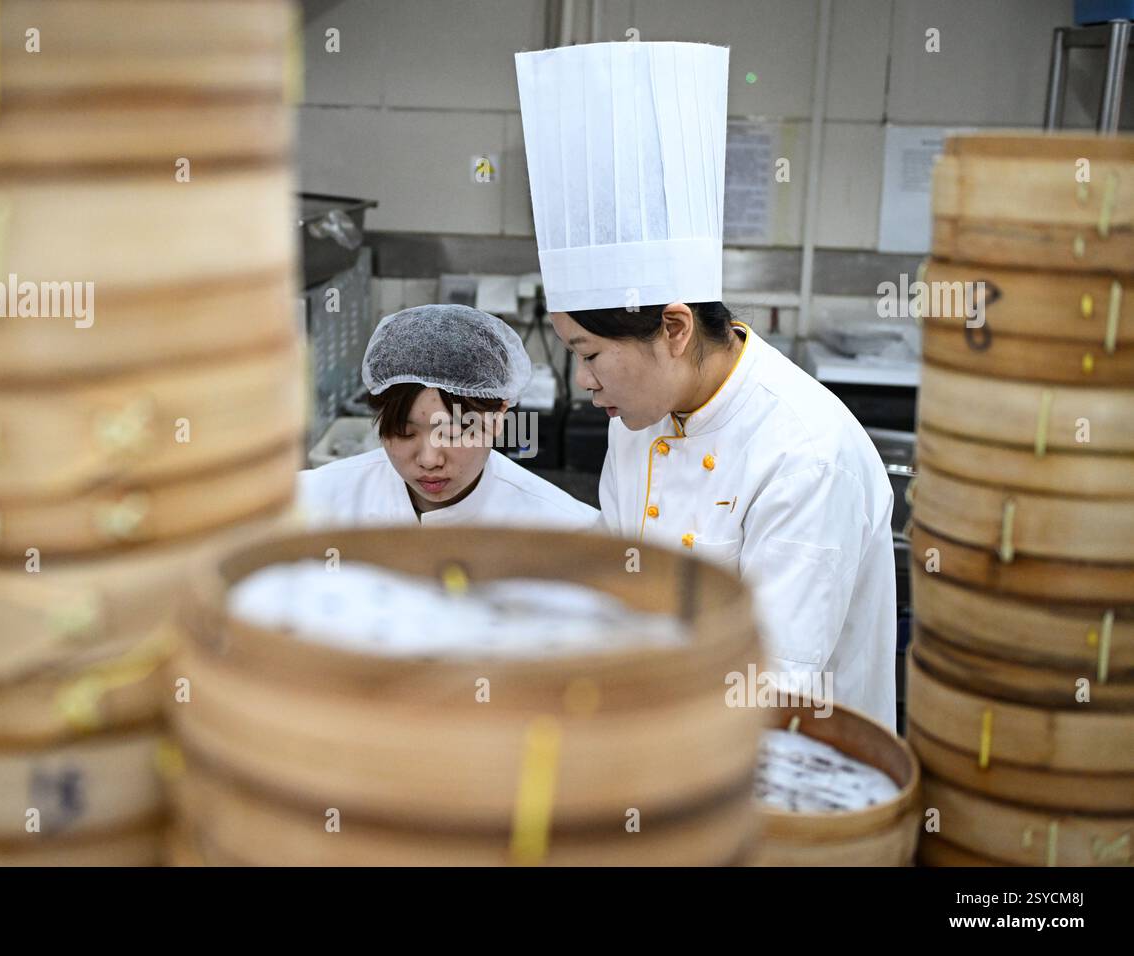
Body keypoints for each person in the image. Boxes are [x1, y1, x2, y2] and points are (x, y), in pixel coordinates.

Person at [515, 41, 897, 728]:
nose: (583, 380)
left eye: (590, 353)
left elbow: (771, 685)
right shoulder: (641, 414)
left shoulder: (804, 454)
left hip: (785, 784)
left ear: (674, 328)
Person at [298, 304, 597, 530]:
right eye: (404, 431)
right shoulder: (311, 502)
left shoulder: (563, 529)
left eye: (454, 433)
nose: (429, 460)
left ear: (499, 415)